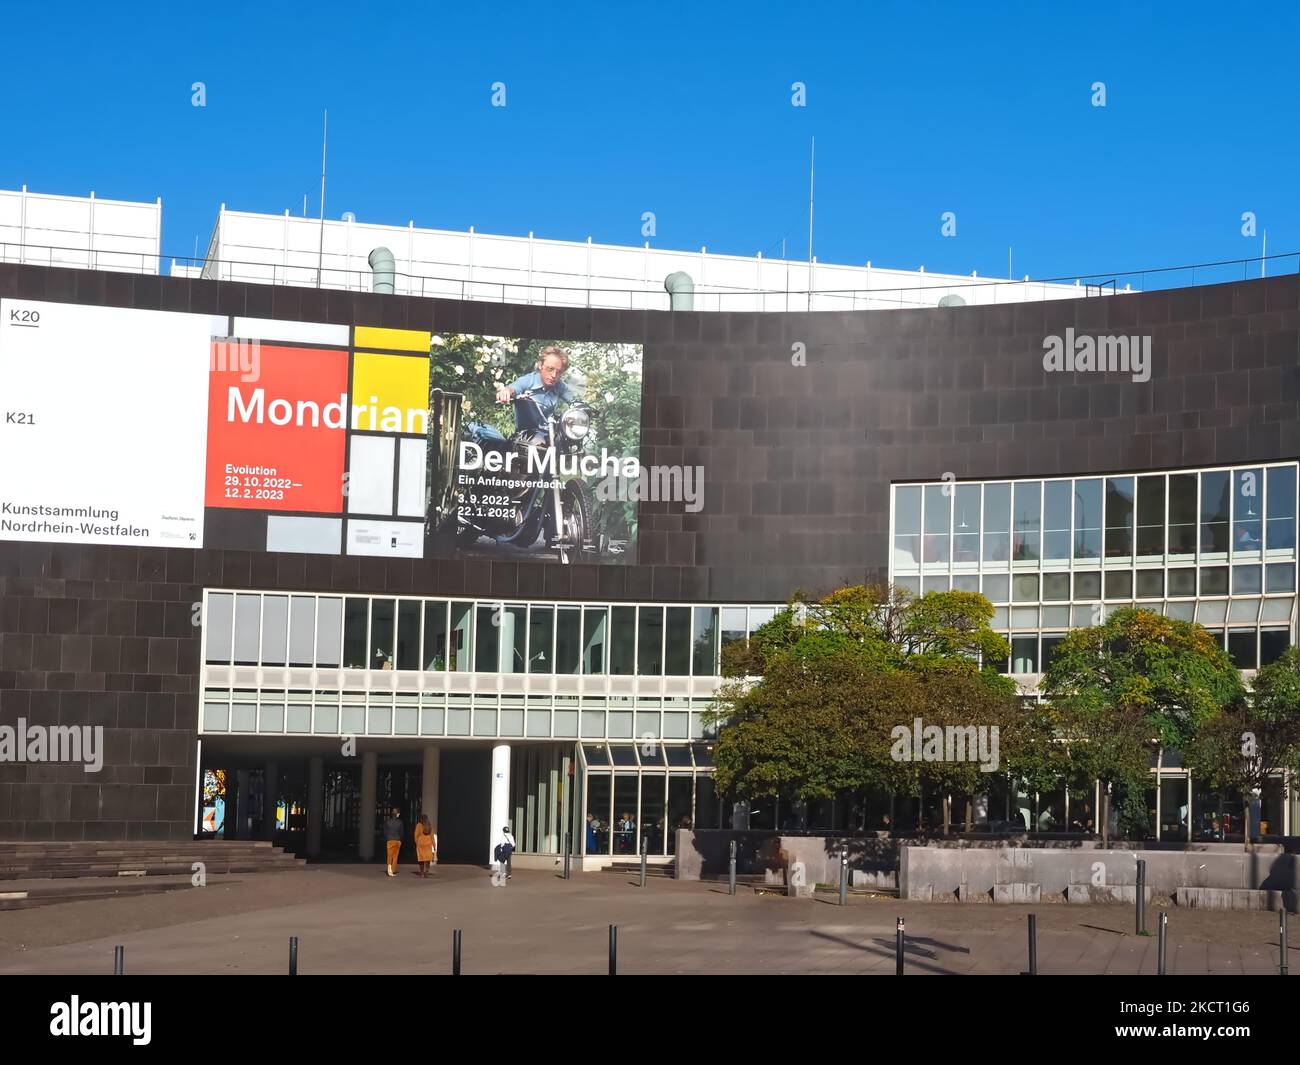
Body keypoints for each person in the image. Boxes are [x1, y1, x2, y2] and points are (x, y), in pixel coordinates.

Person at [494, 346, 575, 437]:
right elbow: (513, 388)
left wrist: (585, 408)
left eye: (559, 372)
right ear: (540, 365)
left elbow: (575, 400)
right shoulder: (529, 380)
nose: (554, 375)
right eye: (550, 369)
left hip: (549, 436)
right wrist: (506, 392)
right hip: (525, 437)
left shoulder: (560, 385)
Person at [384, 807, 404, 878]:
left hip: (390, 840)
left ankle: (389, 868)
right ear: (397, 814)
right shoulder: (400, 822)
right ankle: (393, 869)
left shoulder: (388, 822)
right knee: (395, 856)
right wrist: (401, 839)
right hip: (397, 840)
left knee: (389, 855)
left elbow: (385, 832)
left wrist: (387, 838)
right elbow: (402, 833)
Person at [415, 814, 436, 878]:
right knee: (427, 859)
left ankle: (421, 873)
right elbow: (432, 836)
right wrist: (434, 845)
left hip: (421, 843)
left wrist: (416, 842)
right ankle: (426, 872)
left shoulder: (419, 825)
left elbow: (416, 835)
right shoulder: (429, 825)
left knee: (421, 859)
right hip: (428, 843)